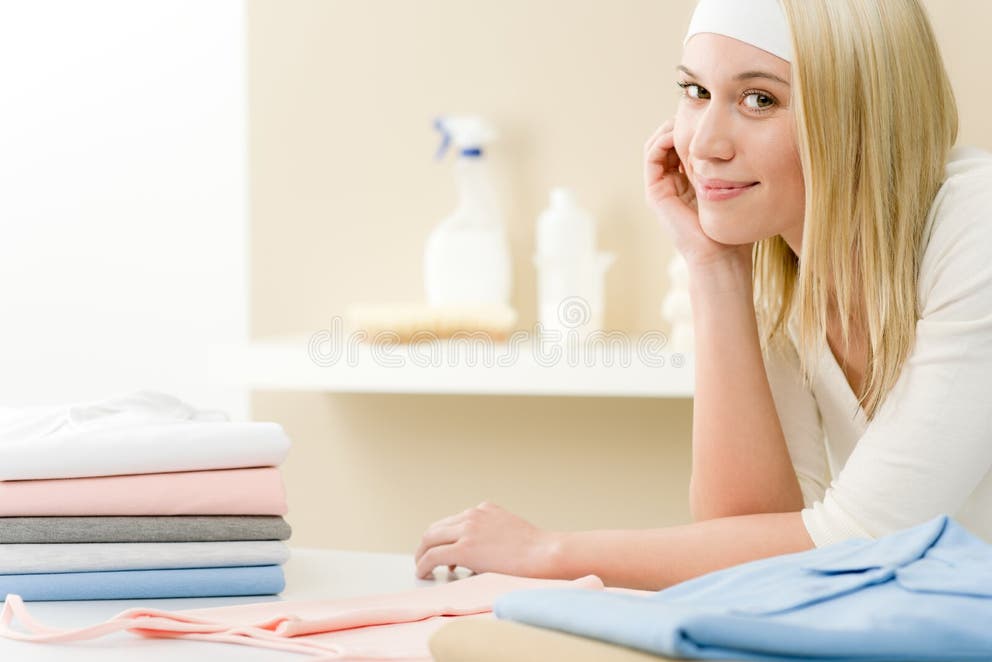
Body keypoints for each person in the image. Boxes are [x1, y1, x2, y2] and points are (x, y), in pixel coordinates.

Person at [414, 0, 992, 590]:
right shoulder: (785, 258)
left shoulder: (978, 228)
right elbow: (749, 546)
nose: (706, 143)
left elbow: (866, 537)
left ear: (863, 117)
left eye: (759, 99)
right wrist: (716, 271)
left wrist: (548, 552)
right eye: (694, 92)